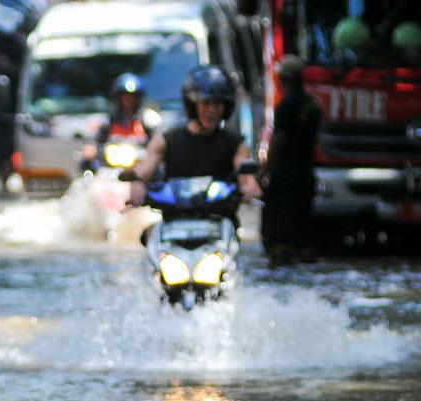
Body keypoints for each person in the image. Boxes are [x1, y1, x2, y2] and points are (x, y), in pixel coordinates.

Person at [129, 65, 261, 240]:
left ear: (226, 106)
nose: (212, 110)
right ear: (193, 104)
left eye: (217, 104)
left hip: (219, 229)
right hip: (175, 226)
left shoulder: (235, 143)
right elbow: (144, 171)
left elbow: (246, 177)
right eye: (206, 103)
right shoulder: (166, 140)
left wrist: (250, 188)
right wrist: (137, 185)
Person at [261, 55, 321, 264]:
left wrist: (266, 170)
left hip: (285, 174)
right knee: (303, 219)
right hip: (306, 172)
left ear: (282, 79)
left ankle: (283, 255)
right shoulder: (313, 104)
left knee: (278, 221)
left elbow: (279, 140)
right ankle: (304, 252)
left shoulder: (286, 105)